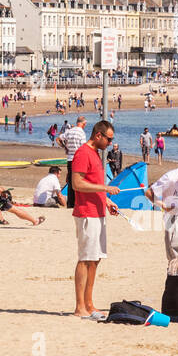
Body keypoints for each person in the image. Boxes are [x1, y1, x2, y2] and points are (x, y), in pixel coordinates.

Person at [70, 120, 121, 318]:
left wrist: (106, 200)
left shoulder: (96, 155)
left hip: (98, 211)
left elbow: (93, 182)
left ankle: (89, 304)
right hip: (86, 213)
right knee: (85, 259)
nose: (110, 143)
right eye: (108, 139)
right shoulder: (83, 153)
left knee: (96, 258)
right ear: (98, 135)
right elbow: (77, 184)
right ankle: (79, 307)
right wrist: (105, 188)